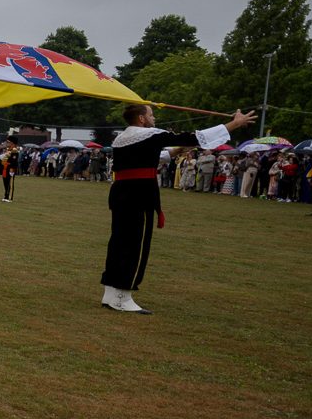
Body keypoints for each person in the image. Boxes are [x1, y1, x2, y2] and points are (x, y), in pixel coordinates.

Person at [101, 103, 255, 313]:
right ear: (142, 119)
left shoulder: (121, 139)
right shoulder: (150, 134)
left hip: (121, 193)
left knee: (119, 241)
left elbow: (155, 156)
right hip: (139, 195)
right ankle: (122, 296)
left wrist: (179, 150)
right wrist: (234, 124)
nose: (154, 119)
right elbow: (194, 137)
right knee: (135, 243)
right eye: (152, 115)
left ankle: (111, 293)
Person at [0, 136, 19, 202]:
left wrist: (12, 169)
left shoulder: (14, 150)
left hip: (10, 168)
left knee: (9, 183)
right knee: (5, 182)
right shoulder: (9, 150)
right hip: (5, 168)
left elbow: (14, 161)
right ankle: (6, 196)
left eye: (8, 142)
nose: (7, 143)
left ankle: (9, 197)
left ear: (12, 143)